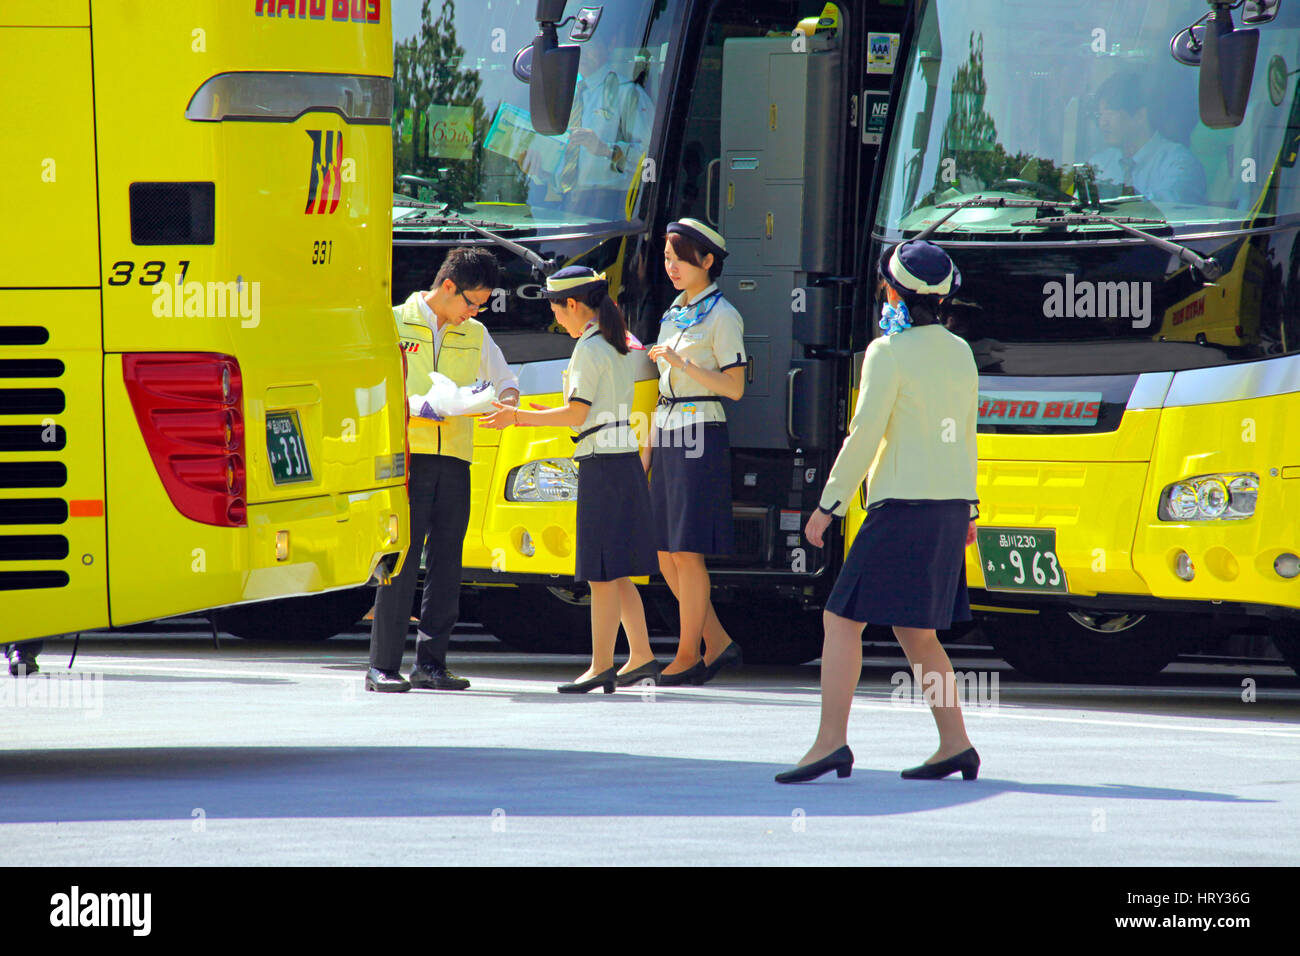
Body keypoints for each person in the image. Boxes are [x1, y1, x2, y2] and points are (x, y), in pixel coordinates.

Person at [776, 239, 981, 784]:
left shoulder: (886, 352)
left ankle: (831, 742)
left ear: (893, 292)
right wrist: (971, 509)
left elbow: (863, 436)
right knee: (918, 633)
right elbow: (966, 435)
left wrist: (828, 507)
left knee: (840, 619)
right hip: (947, 508)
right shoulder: (960, 351)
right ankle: (956, 743)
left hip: (901, 508)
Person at [481, 266, 660, 692]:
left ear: (574, 305)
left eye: (557, 311)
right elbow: (587, 412)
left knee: (600, 573)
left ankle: (601, 665)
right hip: (621, 460)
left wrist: (517, 418)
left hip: (602, 463)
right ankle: (641, 656)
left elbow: (578, 415)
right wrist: (528, 414)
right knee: (615, 571)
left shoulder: (589, 348)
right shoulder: (613, 342)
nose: (556, 319)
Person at [365, 248, 520, 693]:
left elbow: (507, 382)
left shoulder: (476, 332)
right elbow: (370, 386)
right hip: (404, 458)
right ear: (447, 287)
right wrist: (416, 406)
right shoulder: (392, 321)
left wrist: (504, 404)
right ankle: (383, 667)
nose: (473, 313)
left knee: (448, 564)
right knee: (400, 560)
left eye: (480, 306)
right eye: (471, 302)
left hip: (455, 457)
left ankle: (431, 665)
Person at [647, 219, 746, 686]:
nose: (672, 267)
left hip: (700, 428)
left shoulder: (723, 316)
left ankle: (689, 653)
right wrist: (646, 447)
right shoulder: (674, 312)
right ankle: (717, 641)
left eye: (680, 259)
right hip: (667, 428)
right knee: (665, 553)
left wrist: (681, 362)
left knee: (687, 552)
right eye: (667, 259)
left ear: (707, 261)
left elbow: (735, 387)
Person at [1086, 71, 1206, 205]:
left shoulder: (1179, 163)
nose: (1102, 123)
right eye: (1099, 115)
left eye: (1110, 114)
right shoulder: (1099, 164)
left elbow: (1167, 210)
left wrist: (1116, 198)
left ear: (1140, 116)